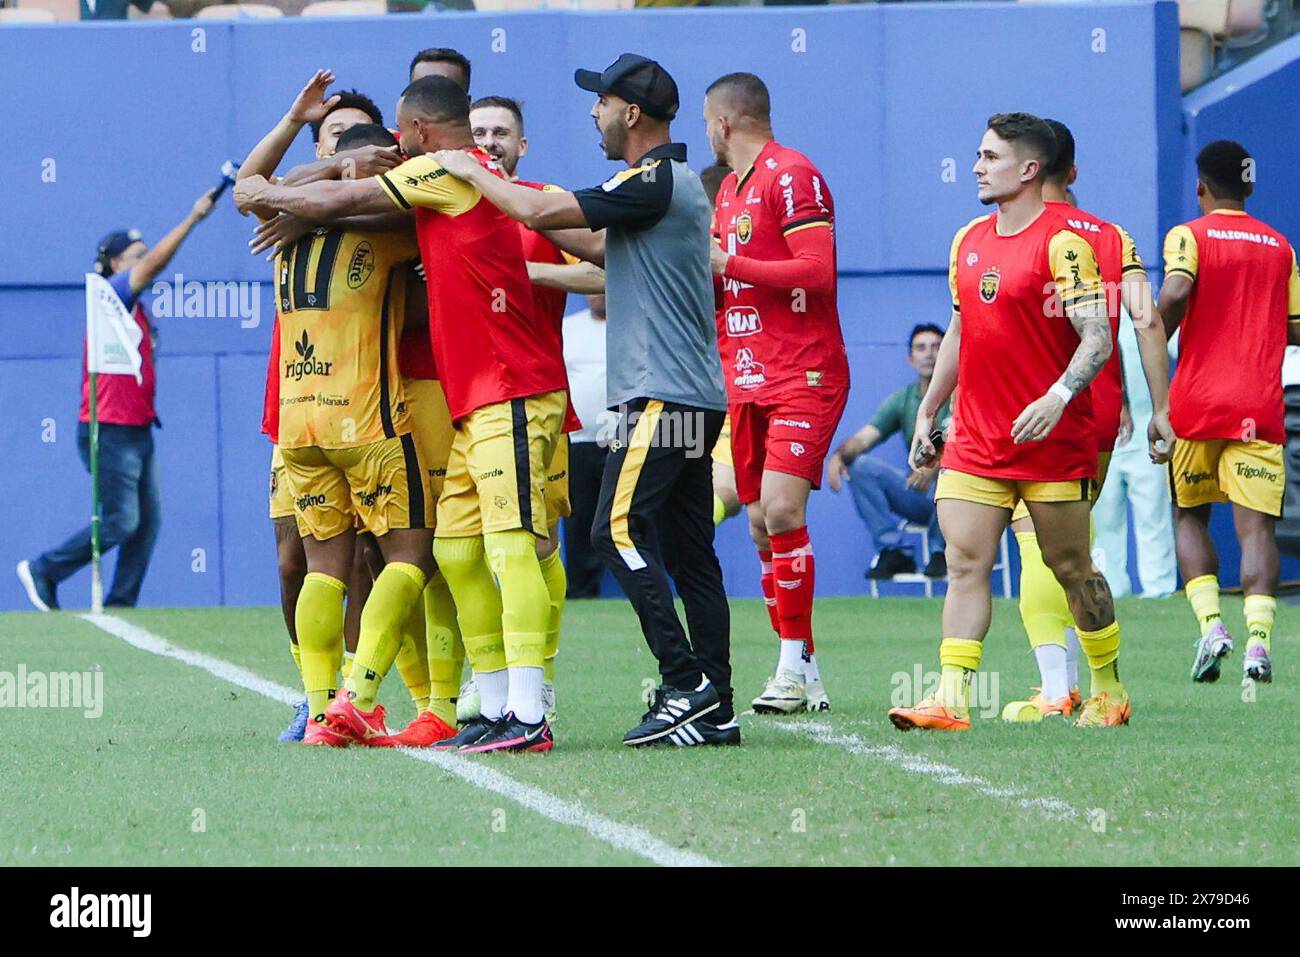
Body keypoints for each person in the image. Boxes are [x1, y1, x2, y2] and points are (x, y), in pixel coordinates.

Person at [236, 74, 571, 755]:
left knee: (348, 563)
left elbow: (268, 186)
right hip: (385, 413)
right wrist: (323, 184)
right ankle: (408, 700)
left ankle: (333, 702)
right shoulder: (413, 209)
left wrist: (289, 191)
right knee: (432, 554)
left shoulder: (294, 230)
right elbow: (365, 203)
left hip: (309, 420)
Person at [427, 53, 737, 748]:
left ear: (630, 113)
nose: (593, 112)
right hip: (692, 394)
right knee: (692, 555)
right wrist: (510, 260)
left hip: (660, 393)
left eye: (601, 102)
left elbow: (541, 208)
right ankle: (716, 708)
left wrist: (474, 169)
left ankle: (685, 682)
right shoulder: (664, 187)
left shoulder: (649, 179)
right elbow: (594, 249)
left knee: (612, 533)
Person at [887, 112, 1132, 733]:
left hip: (1052, 444)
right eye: (977, 155)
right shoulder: (967, 240)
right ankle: (950, 699)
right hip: (974, 439)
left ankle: (1107, 689)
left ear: (1028, 170)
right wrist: (928, 408)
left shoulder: (1064, 244)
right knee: (966, 565)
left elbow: (1098, 338)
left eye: (990, 157)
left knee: (1071, 568)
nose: (976, 166)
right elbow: (961, 331)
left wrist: (1059, 396)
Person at [238, 71, 436, 744]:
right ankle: (364, 694)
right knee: (410, 556)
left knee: (324, 568)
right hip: (369, 419)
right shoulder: (394, 220)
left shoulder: (285, 228)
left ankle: (320, 708)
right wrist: (341, 172)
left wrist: (308, 175)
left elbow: (247, 187)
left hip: (300, 425)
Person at [1000, 118, 1174, 723]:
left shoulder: (997, 233)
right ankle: (1092, 684)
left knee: (1037, 544)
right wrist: (1158, 409)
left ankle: (1059, 687)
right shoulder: (1109, 236)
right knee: (1067, 547)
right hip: (1095, 414)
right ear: (1071, 171)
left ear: (1027, 167)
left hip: (1032, 413)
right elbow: (1146, 320)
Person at [704, 72, 849, 717]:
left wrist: (725, 263)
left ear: (723, 123)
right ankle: (804, 668)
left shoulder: (792, 174)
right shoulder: (730, 190)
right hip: (748, 377)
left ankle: (790, 669)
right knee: (761, 523)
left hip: (804, 373)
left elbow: (816, 272)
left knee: (784, 512)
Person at [17, 191, 215, 613]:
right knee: (121, 521)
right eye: (136, 256)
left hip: (138, 428)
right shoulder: (112, 295)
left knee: (148, 524)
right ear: (114, 265)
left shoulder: (136, 307)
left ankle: (122, 604)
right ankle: (44, 570)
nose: (145, 262)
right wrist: (194, 216)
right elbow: (157, 263)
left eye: (144, 255)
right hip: (107, 429)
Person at [1158, 139, 1300, 685]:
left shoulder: (1188, 235)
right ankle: (1259, 645)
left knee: (1190, 515)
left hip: (1197, 401)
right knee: (1256, 529)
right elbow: (1296, 327)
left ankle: (1212, 627)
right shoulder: (1280, 247)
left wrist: (1157, 340)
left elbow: (1173, 293)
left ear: (1200, 187)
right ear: (1250, 185)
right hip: (1259, 405)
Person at [827, 323, 950, 581]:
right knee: (859, 466)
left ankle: (943, 553)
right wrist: (839, 456)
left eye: (937, 346)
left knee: (951, 474)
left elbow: (968, 439)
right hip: (918, 493)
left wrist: (936, 463)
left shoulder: (962, 392)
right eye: (921, 348)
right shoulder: (903, 399)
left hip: (958, 496)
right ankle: (894, 552)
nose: (929, 353)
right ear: (910, 358)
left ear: (949, 351)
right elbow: (864, 437)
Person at [1091, 316, 1178, 600]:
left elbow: (1177, 341)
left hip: (1146, 429)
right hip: (1100, 430)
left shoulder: (1145, 315)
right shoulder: (1083, 311)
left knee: (1153, 514)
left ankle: (1159, 590)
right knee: (1103, 519)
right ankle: (1110, 590)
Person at [559, 297, 617, 599]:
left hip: (627, 441)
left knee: (636, 516)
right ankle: (581, 590)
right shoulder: (567, 327)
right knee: (579, 517)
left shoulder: (634, 326)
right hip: (579, 442)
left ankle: (648, 589)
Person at [697, 163, 743, 527]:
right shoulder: (697, 247)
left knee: (734, 494)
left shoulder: (738, 251)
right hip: (702, 390)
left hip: (731, 389)